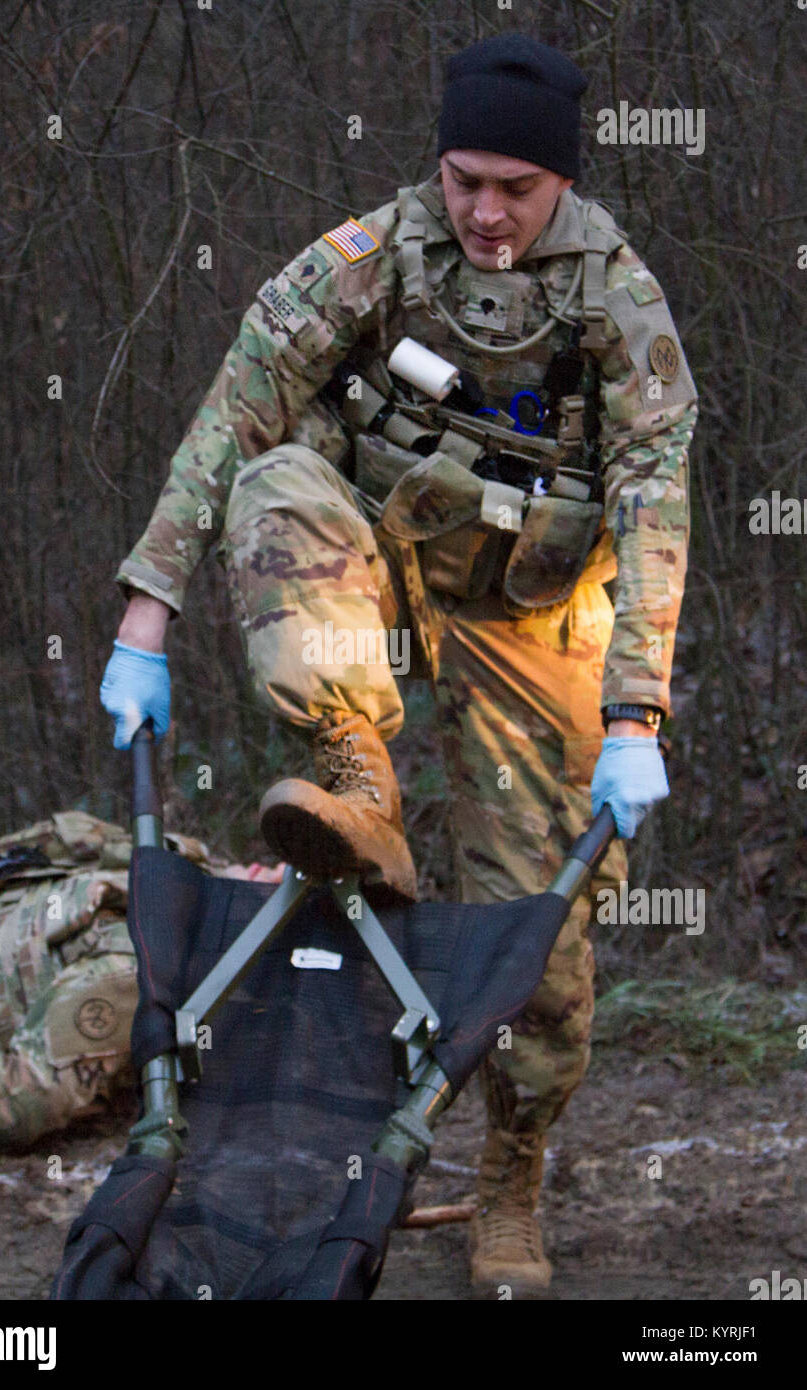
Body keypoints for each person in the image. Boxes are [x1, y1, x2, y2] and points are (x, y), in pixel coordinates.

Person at [100, 33, 697, 1295]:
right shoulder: (376, 256)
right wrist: (144, 606)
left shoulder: (616, 301)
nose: (483, 211)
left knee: (543, 931)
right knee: (279, 481)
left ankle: (510, 1177)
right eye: (463, 178)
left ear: (561, 187)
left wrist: (635, 706)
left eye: (514, 189)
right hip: (382, 566)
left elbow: (654, 503)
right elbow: (239, 406)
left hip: (538, 616)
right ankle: (356, 777)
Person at [0, 810, 280, 1158]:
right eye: (287, 868)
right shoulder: (165, 866)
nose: (274, 869)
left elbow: (26, 1093)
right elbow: (44, 839)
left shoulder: (141, 974)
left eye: (282, 890)